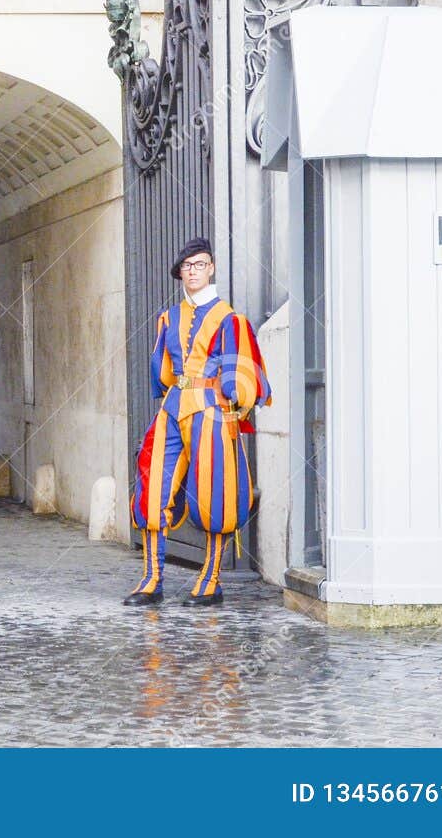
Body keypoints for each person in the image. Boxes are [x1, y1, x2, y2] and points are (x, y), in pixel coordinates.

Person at [124, 237, 270, 607]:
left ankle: (210, 579)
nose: (193, 271)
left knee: (215, 492)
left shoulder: (229, 318)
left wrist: (234, 403)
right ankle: (151, 578)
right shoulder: (169, 318)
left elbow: (242, 373)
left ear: (211, 268)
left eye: (200, 264)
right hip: (173, 408)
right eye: (188, 266)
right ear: (180, 272)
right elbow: (163, 372)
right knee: (153, 487)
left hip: (212, 410)